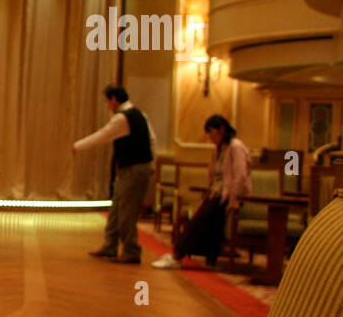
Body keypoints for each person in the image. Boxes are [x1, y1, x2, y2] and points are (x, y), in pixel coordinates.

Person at [152, 115, 251, 269]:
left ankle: (177, 255)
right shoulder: (220, 148)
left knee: (198, 221)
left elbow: (240, 175)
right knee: (208, 223)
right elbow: (215, 175)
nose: (210, 137)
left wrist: (233, 200)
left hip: (230, 195)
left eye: (211, 132)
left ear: (222, 129)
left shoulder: (235, 147)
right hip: (218, 193)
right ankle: (208, 257)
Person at [73, 84, 156, 264]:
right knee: (117, 208)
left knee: (126, 211)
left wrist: (78, 146)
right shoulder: (140, 114)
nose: (107, 105)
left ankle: (131, 251)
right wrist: (152, 163)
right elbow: (152, 140)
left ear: (114, 99)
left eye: (107, 101)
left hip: (134, 169)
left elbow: (103, 135)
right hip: (133, 168)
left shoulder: (122, 118)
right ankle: (110, 246)